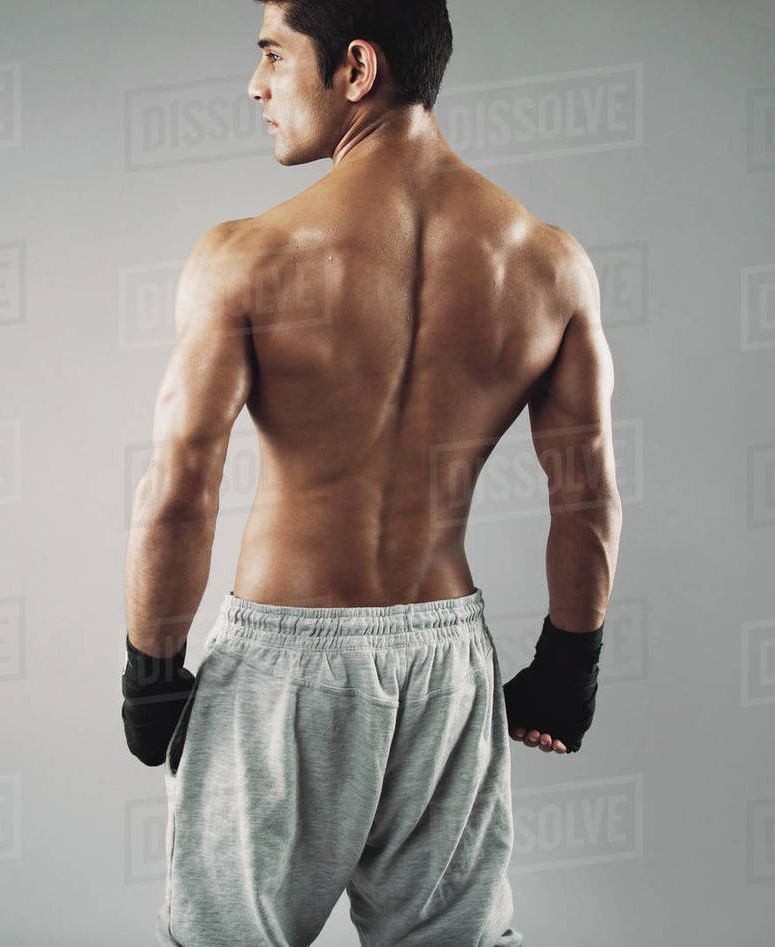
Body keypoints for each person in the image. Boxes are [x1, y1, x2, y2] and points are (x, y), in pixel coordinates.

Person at [121, 1, 622, 944]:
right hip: (449, 666)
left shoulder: (248, 257)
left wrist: (152, 669)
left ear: (357, 68)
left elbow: (180, 489)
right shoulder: (551, 264)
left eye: (274, 56)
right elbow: (586, 490)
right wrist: (571, 662)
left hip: (285, 666)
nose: (256, 86)